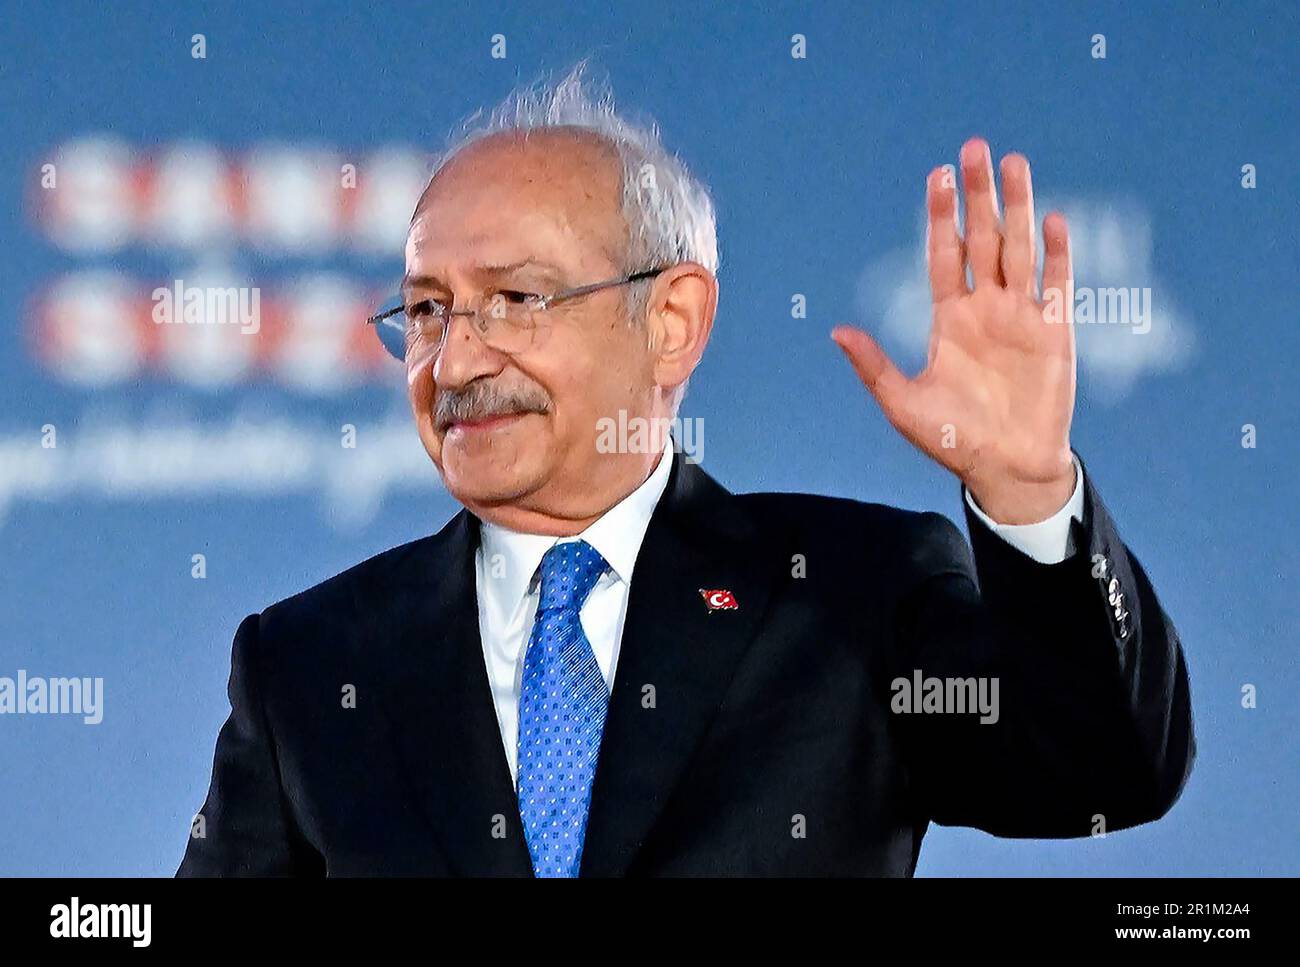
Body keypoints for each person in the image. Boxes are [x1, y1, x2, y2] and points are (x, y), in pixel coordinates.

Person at [178, 64, 1194, 877]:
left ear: (671, 321)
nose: (457, 360)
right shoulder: (309, 662)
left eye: (517, 300)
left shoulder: (849, 597)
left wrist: (1025, 489)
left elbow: (1102, 768)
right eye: (430, 308)